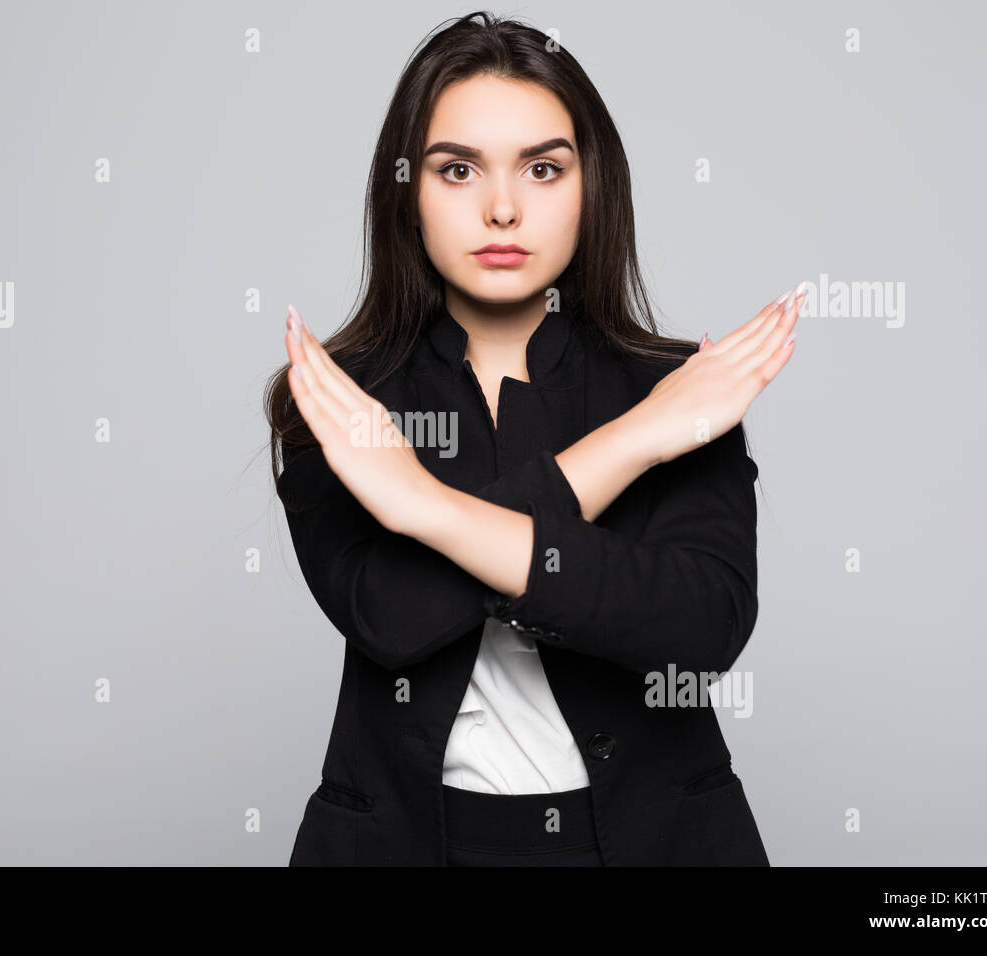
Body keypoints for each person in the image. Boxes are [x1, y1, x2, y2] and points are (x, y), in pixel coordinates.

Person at [263, 11, 799, 866]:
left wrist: (422, 508)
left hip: (653, 842)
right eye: (458, 169)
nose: (503, 208)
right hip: (408, 843)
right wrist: (628, 447)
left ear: (593, 189)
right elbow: (388, 616)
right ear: (407, 191)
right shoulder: (340, 396)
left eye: (543, 169)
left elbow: (700, 630)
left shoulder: (677, 391)